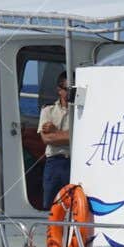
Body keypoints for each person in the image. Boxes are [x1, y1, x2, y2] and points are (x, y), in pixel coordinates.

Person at [38, 71, 73, 209]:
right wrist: (69, 136)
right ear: (59, 90)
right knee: (50, 204)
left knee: (72, 205)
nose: (70, 92)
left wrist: (55, 132)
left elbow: (79, 136)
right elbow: (46, 138)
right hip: (54, 162)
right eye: (67, 89)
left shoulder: (80, 111)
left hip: (73, 162)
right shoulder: (48, 111)